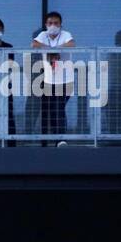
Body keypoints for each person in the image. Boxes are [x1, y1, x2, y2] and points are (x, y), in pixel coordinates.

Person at [31, 11, 76, 143]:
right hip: (49, 81)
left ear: (60, 25)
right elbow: (34, 44)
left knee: (58, 109)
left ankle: (60, 140)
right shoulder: (43, 35)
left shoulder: (65, 34)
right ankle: (44, 141)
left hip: (65, 81)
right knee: (47, 110)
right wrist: (50, 49)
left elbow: (72, 44)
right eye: (50, 23)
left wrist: (56, 49)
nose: (53, 26)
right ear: (46, 24)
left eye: (56, 23)